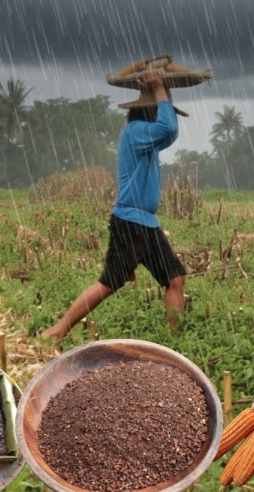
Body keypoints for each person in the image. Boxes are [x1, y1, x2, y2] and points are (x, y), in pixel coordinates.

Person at [40, 69, 188, 340]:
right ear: (149, 114)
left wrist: (163, 91)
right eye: (160, 109)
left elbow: (169, 132)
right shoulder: (136, 132)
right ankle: (58, 330)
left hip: (146, 223)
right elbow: (169, 128)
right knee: (109, 283)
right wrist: (158, 89)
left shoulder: (146, 139)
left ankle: (175, 342)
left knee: (175, 279)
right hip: (131, 222)